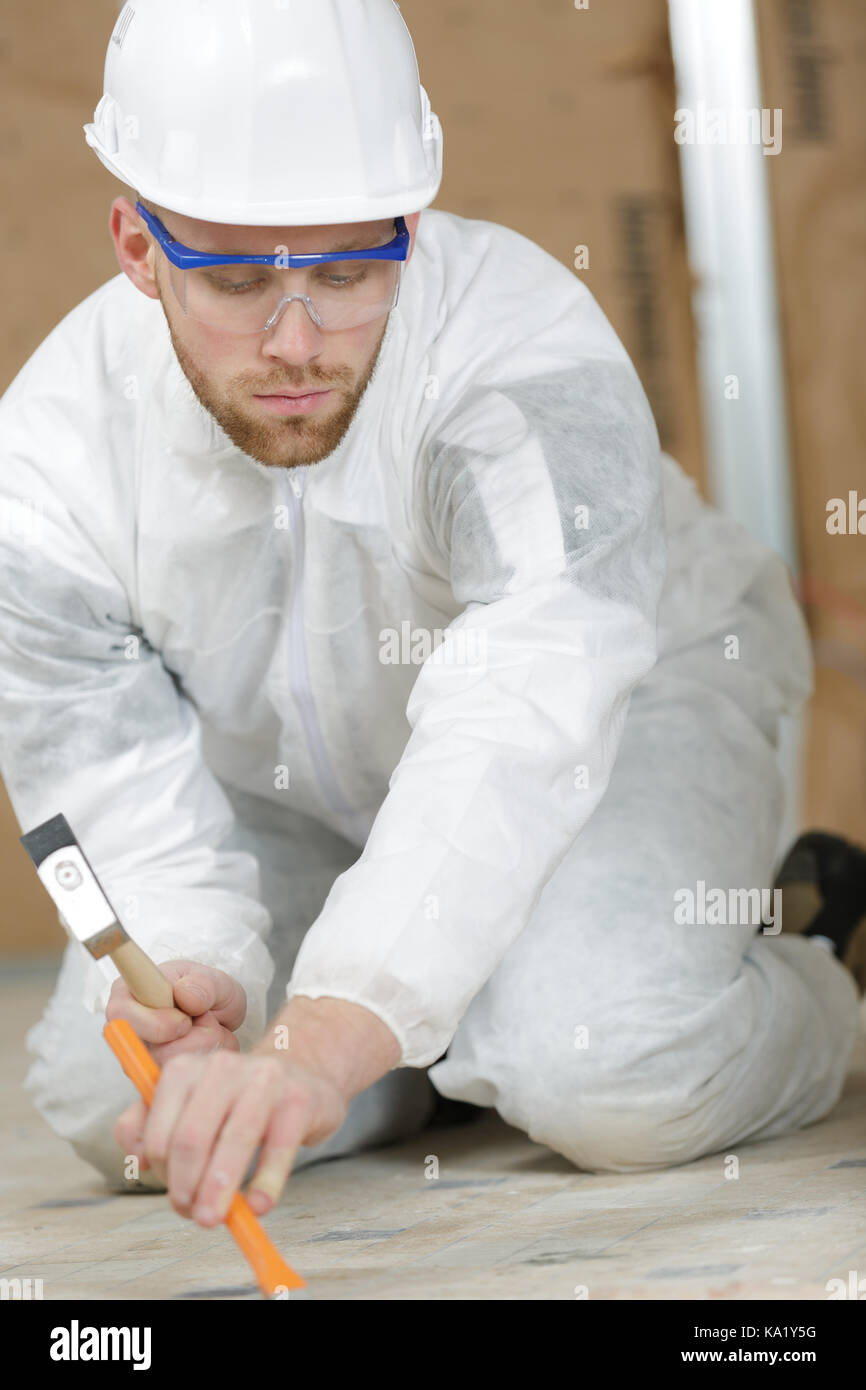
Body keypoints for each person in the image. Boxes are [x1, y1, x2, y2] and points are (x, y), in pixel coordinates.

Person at [1, 0, 861, 1231]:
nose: (297, 342)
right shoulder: (45, 473)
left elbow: (522, 710)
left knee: (596, 1065)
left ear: (409, 225)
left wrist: (328, 1033)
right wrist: (203, 987)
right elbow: (118, 790)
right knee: (122, 1101)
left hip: (622, 707)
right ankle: (443, 1042)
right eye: (238, 277)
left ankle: (820, 961)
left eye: (349, 272)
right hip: (298, 796)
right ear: (138, 246)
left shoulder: (520, 363)